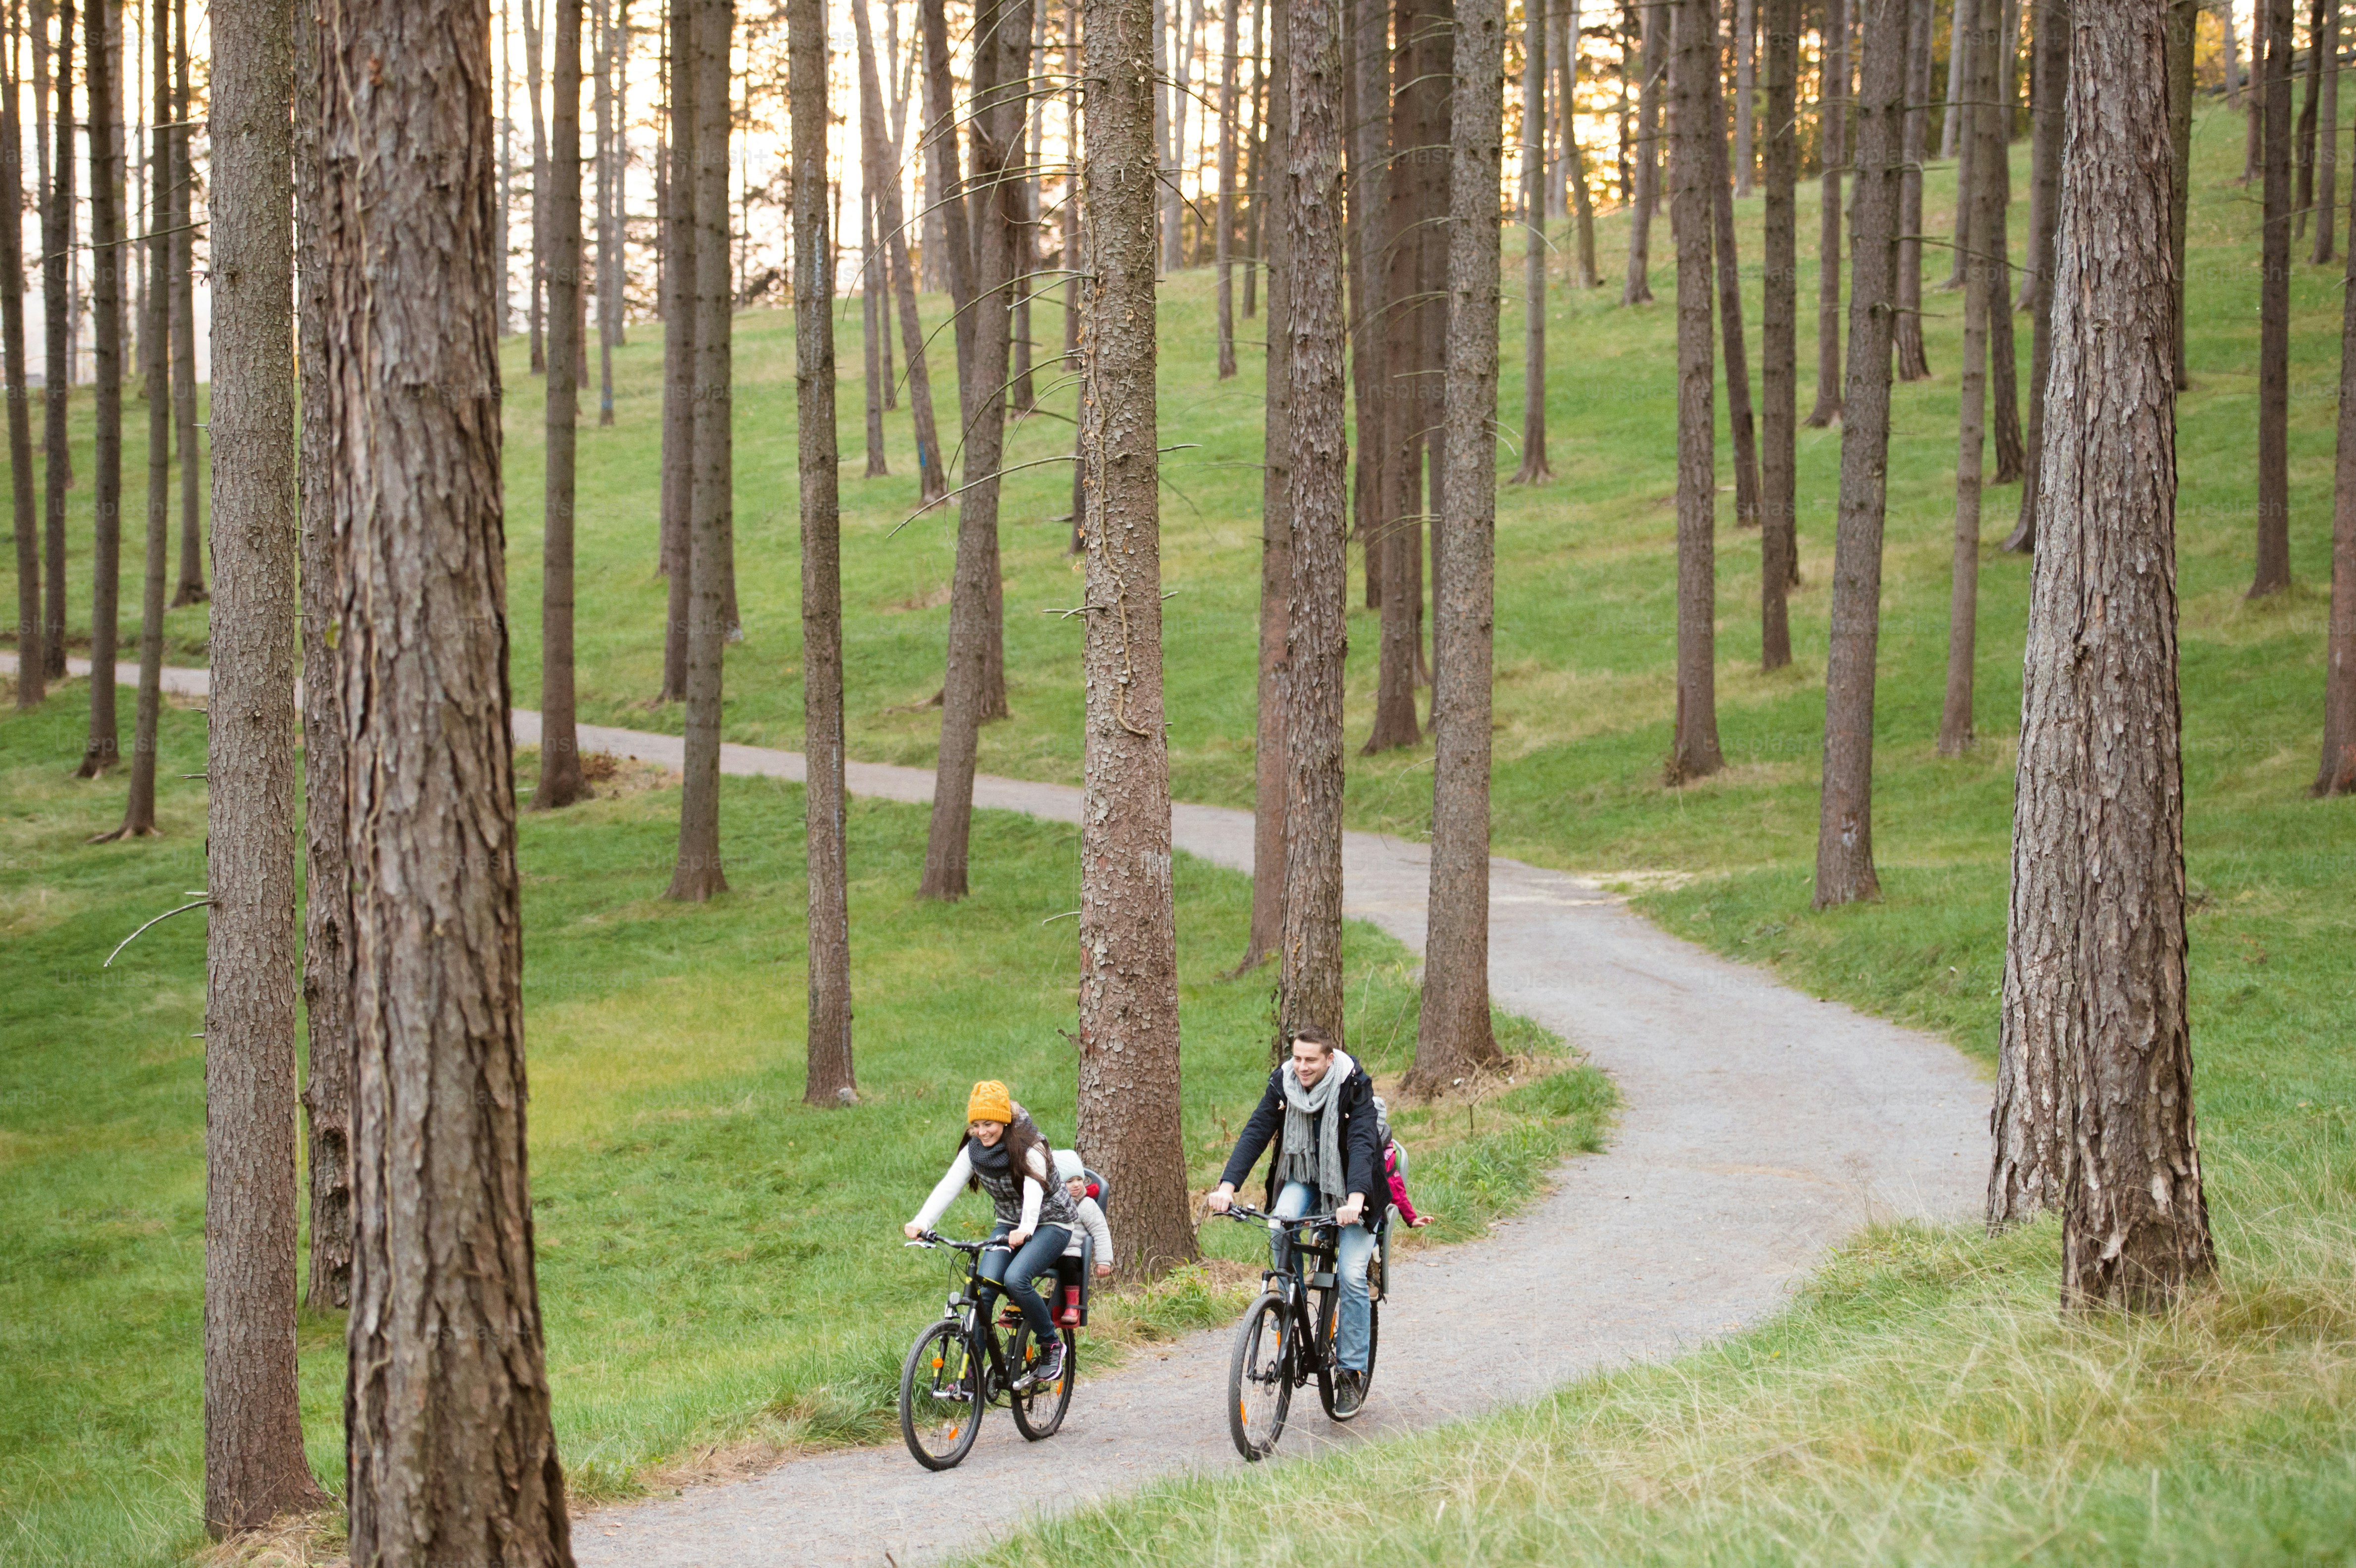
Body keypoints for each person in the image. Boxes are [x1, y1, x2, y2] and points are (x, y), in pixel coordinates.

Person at [1205, 1027, 1382, 1414]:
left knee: (1351, 1275)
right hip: (1304, 1177)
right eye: (1297, 1058)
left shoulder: (1354, 1085)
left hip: (1353, 1190)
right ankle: (1290, 1307)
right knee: (1278, 1225)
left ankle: (1350, 1372)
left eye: (1310, 1060)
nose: (1301, 1066)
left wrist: (1355, 1198)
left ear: (1329, 1059)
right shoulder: (1284, 1082)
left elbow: (1362, 1142)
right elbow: (1256, 1130)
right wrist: (1228, 1186)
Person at [904, 1081, 1079, 1385]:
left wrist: (1027, 1228)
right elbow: (949, 1186)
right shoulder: (975, 1152)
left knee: (1016, 1278)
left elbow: (1035, 1190)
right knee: (985, 1289)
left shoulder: (1031, 1146)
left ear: (1004, 1121)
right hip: (1011, 1224)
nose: (983, 1132)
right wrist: (922, 1222)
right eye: (976, 1125)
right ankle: (970, 1374)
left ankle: (1051, 1345)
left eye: (989, 1124)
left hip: (1052, 1222)